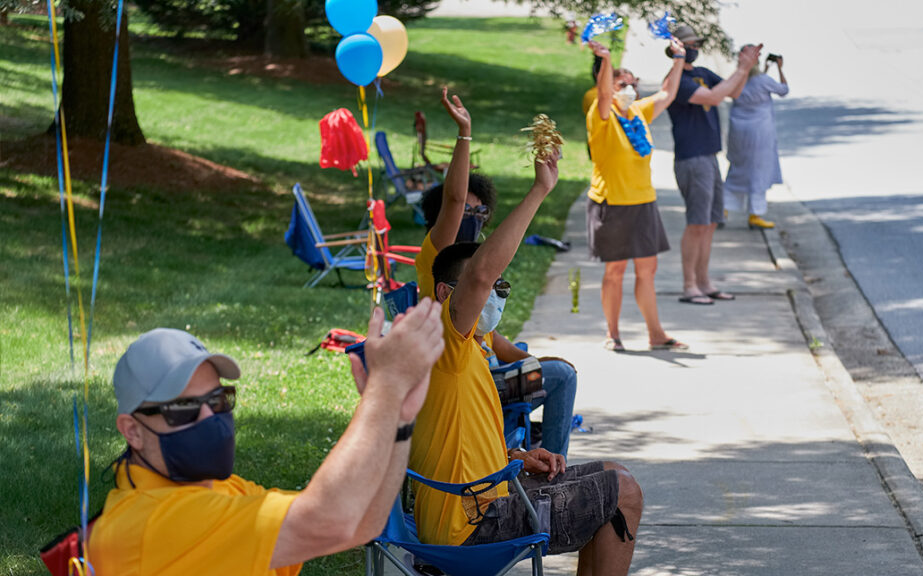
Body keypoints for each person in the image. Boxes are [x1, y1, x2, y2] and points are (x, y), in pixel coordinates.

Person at [410, 153, 644, 576]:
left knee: (615, 474)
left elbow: (460, 441)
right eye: (486, 289)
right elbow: (481, 272)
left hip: (485, 497)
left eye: (501, 287)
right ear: (447, 294)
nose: (494, 294)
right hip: (471, 526)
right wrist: (539, 190)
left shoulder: (473, 349)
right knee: (623, 491)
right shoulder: (446, 341)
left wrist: (516, 455)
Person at [90, 298, 444, 575]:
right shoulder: (150, 524)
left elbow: (359, 524)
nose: (209, 417)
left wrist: (398, 421)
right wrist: (386, 388)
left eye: (218, 399)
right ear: (132, 430)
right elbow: (328, 519)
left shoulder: (225, 490)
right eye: (182, 408)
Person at [416, 88, 578, 458]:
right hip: (467, 383)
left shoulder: (474, 261)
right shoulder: (437, 254)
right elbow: (454, 199)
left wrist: (536, 364)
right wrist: (464, 134)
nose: (470, 217)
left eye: (480, 213)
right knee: (562, 377)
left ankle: (542, 458)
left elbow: (497, 343)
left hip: (486, 376)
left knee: (557, 372)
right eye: (465, 212)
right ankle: (547, 461)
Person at [586, 37, 689, 352]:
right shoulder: (600, 116)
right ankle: (613, 333)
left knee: (647, 270)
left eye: (633, 84)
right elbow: (604, 94)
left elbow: (668, 93)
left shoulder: (638, 112)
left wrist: (679, 58)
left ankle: (656, 334)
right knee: (615, 271)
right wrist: (606, 60)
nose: (629, 89)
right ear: (609, 87)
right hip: (612, 204)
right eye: (622, 84)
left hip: (644, 202)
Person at [666, 24, 761, 305]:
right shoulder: (676, 80)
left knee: (709, 223)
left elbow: (733, 92)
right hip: (691, 158)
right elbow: (713, 97)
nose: (695, 48)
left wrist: (745, 68)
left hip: (709, 156)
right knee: (697, 223)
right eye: (690, 44)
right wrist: (741, 69)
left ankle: (704, 282)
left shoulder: (703, 73)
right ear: (677, 48)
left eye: (697, 43)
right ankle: (689, 286)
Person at [724, 48, 789, 230]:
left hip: (738, 131)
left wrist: (765, 69)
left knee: (737, 169)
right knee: (758, 172)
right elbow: (783, 90)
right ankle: (755, 214)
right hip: (760, 133)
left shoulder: (737, 80)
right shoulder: (763, 81)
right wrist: (780, 68)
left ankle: (723, 209)